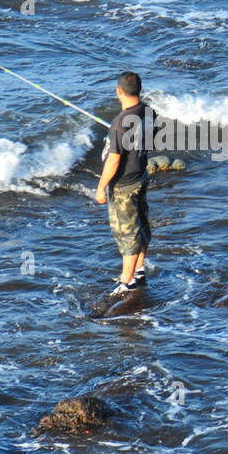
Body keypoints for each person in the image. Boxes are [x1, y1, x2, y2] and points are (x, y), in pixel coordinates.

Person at [96, 71, 156, 295]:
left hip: (124, 185)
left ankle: (126, 281)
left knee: (128, 234)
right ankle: (139, 270)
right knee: (141, 225)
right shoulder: (148, 111)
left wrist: (101, 188)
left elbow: (113, 161)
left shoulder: (120, 123)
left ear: (119, 91)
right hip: (141, 176)